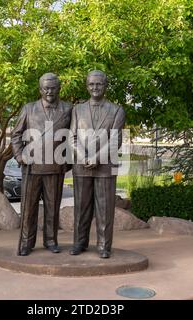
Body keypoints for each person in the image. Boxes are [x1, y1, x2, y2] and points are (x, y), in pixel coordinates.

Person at [11, 73, 72, 256]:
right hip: (32, 167)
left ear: (59, 88)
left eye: (53, 87)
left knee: (52, 207)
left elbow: (74, 136)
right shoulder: (29, 109)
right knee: (28, 208)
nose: (49, 91)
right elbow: (16, 135)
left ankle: (51, 240)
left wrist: (67, 161)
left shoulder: (68, 109)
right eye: (46, 88)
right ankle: (26, 243)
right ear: (40, 89)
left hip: (55, 166)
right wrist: (20, 156)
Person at [69, 70, 126, 259]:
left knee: (105, 209)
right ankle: (79, 242)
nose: (95, 87)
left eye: (99, 84)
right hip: (81, 166)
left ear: (105, 85)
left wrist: (97, 158)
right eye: (92, 84)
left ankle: (103, 245)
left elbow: (115, 140)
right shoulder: (77, 109)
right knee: (81, 207)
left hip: (105, 167)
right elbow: (72, 137)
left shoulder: (117, 110)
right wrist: (83, 156)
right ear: (87, 86)